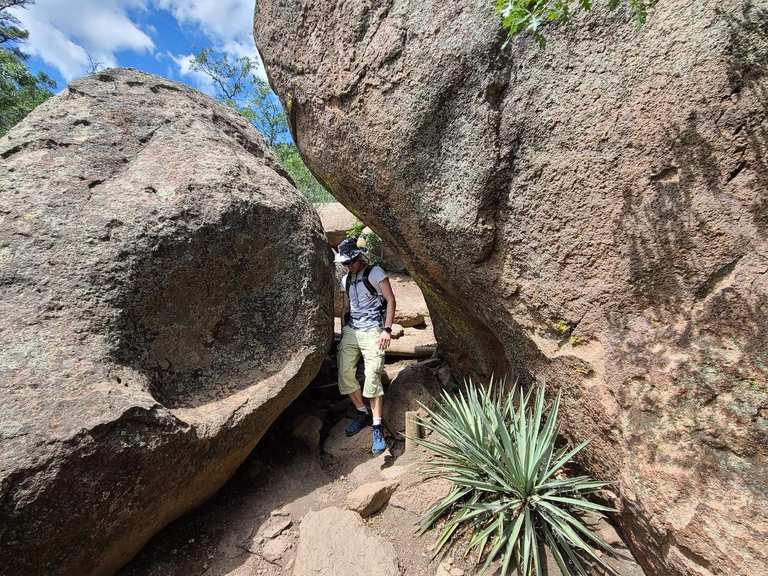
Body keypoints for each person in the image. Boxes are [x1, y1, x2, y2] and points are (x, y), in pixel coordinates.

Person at [334, 237, 396, 455]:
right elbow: (346, 307)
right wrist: (343, 332)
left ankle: (377, 428)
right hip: (352, 329)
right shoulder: (346, 279)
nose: (347, 266)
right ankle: (362, 412)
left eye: (350, 261)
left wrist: (387, 330)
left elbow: (390, 300)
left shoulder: (375, 272)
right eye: (344, 263)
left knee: (372, 375)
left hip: (372, 329)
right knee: (345, 374)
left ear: (359, 257)